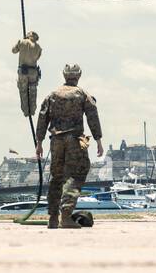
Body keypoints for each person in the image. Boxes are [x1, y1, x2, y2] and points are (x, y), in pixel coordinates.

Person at [34, 63, 104, 229]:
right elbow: (92, 116)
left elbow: (42, 118)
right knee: (75, 175)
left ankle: (52, 217)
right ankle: (65, 216)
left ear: (64, 75)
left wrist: (39, 143)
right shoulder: (81, 94)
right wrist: (98, 140)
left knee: (56, 177)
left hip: (56, 141)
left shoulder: (53, 95)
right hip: (74, 139)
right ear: (79, 75)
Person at [12, 31, 41, 120]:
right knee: (33, 92)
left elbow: (13, 50)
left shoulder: (22, 42)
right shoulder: (38, 47)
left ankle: (26, 111)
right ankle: (32, 110)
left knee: (23, 91)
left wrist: (21, 44)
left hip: (23, 72)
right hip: (33, 72)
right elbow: (37, 58)